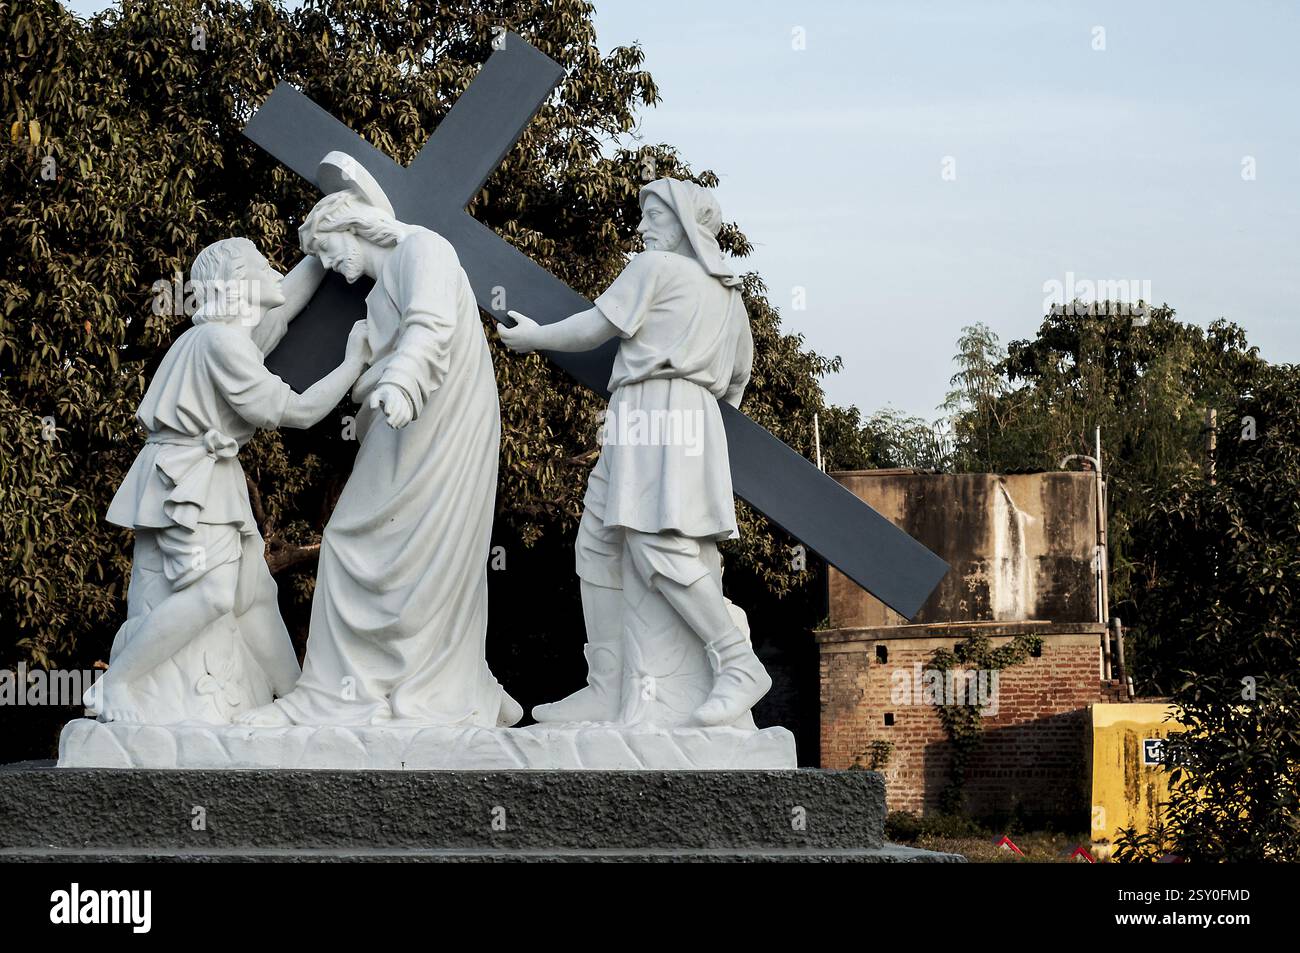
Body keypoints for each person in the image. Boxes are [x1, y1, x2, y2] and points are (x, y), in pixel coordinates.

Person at [240, 152, 521, 728]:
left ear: (354, 225)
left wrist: (398, 380)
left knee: (365, 542)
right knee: (370, 544)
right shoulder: (376, 292)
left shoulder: (424, 250)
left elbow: (431, 325)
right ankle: (367, 689)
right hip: (404, 422)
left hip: (438, 420)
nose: (329, 264)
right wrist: (373, 379)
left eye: (328, 249)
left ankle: (376, 691)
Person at [497, 178, 770, 727]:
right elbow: (739, 379)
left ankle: (737, 661)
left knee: (655, 545)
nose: (642, 228)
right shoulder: (730, 299)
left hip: (654, 411)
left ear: (686, 225)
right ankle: (607, 684)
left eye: (654, 217)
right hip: (680, 417)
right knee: (597, 541)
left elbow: (597, 327)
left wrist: (534, 338)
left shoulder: (656, 270)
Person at [89, 237, 370, 722]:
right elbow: (297, 411)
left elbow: (282, 308)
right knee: (216, 594)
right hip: (187, 480)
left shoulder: (226, 336)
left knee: (255, 593)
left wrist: (323, 249)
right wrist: (354, 362)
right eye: (262, 265)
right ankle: (114, 685)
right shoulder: (221, 343)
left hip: (202, 475)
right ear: (240, 283)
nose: (272, 272)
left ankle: (298, 699)